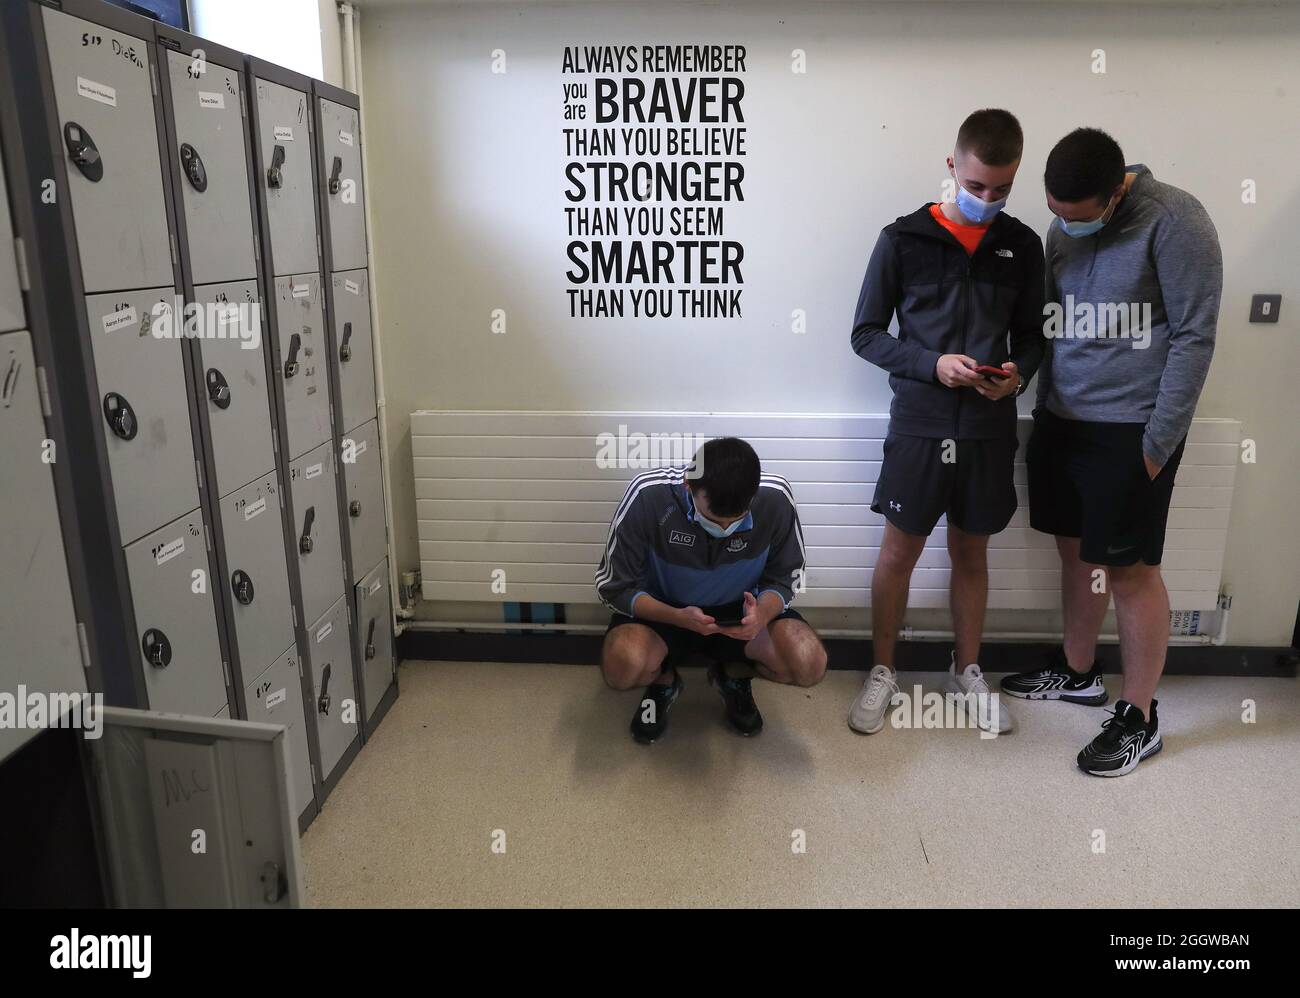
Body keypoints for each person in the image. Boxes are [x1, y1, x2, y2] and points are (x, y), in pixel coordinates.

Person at [1001, 128, 1222, 776]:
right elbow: (1052, 316)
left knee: (1130, 572)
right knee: (1077, 555)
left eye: (1079, 217)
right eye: (1057, 215)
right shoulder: (1064, 223)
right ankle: (1077, 672)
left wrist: (1156, 445)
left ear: (1117, 189)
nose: (1065, 227)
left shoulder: (1176, 221)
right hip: (1063, 418)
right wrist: (1033, 393)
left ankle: (1140, 715)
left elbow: (1194, 338)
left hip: (1131, 430)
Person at [848, 108, 1045, 736]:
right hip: (920, 422)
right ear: (952, 166)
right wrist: (932, 365)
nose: (987, 199)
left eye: (1002, 189)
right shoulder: (902, 239)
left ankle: (968, 669)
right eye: (977, 185)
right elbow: (866, 334)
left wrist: (1017, 375)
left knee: (972, 550)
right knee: (898, 552)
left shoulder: (1022, 244)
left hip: (989, 426)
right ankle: (882, 669)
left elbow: (1035, 338)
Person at [596, 437, 826, 743]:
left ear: (753, 494)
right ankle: (665, 681)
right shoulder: (648, 496)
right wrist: (677, 617)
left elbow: (788, 577)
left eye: (738, 519)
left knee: (809, 663)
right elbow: (613, 587)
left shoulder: (775, 498)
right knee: (621, 670)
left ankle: (732, 674)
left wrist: (761, 615)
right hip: (665, 614)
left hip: (740, 617)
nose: (726, 528)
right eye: (713, 519)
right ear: (688, 485)